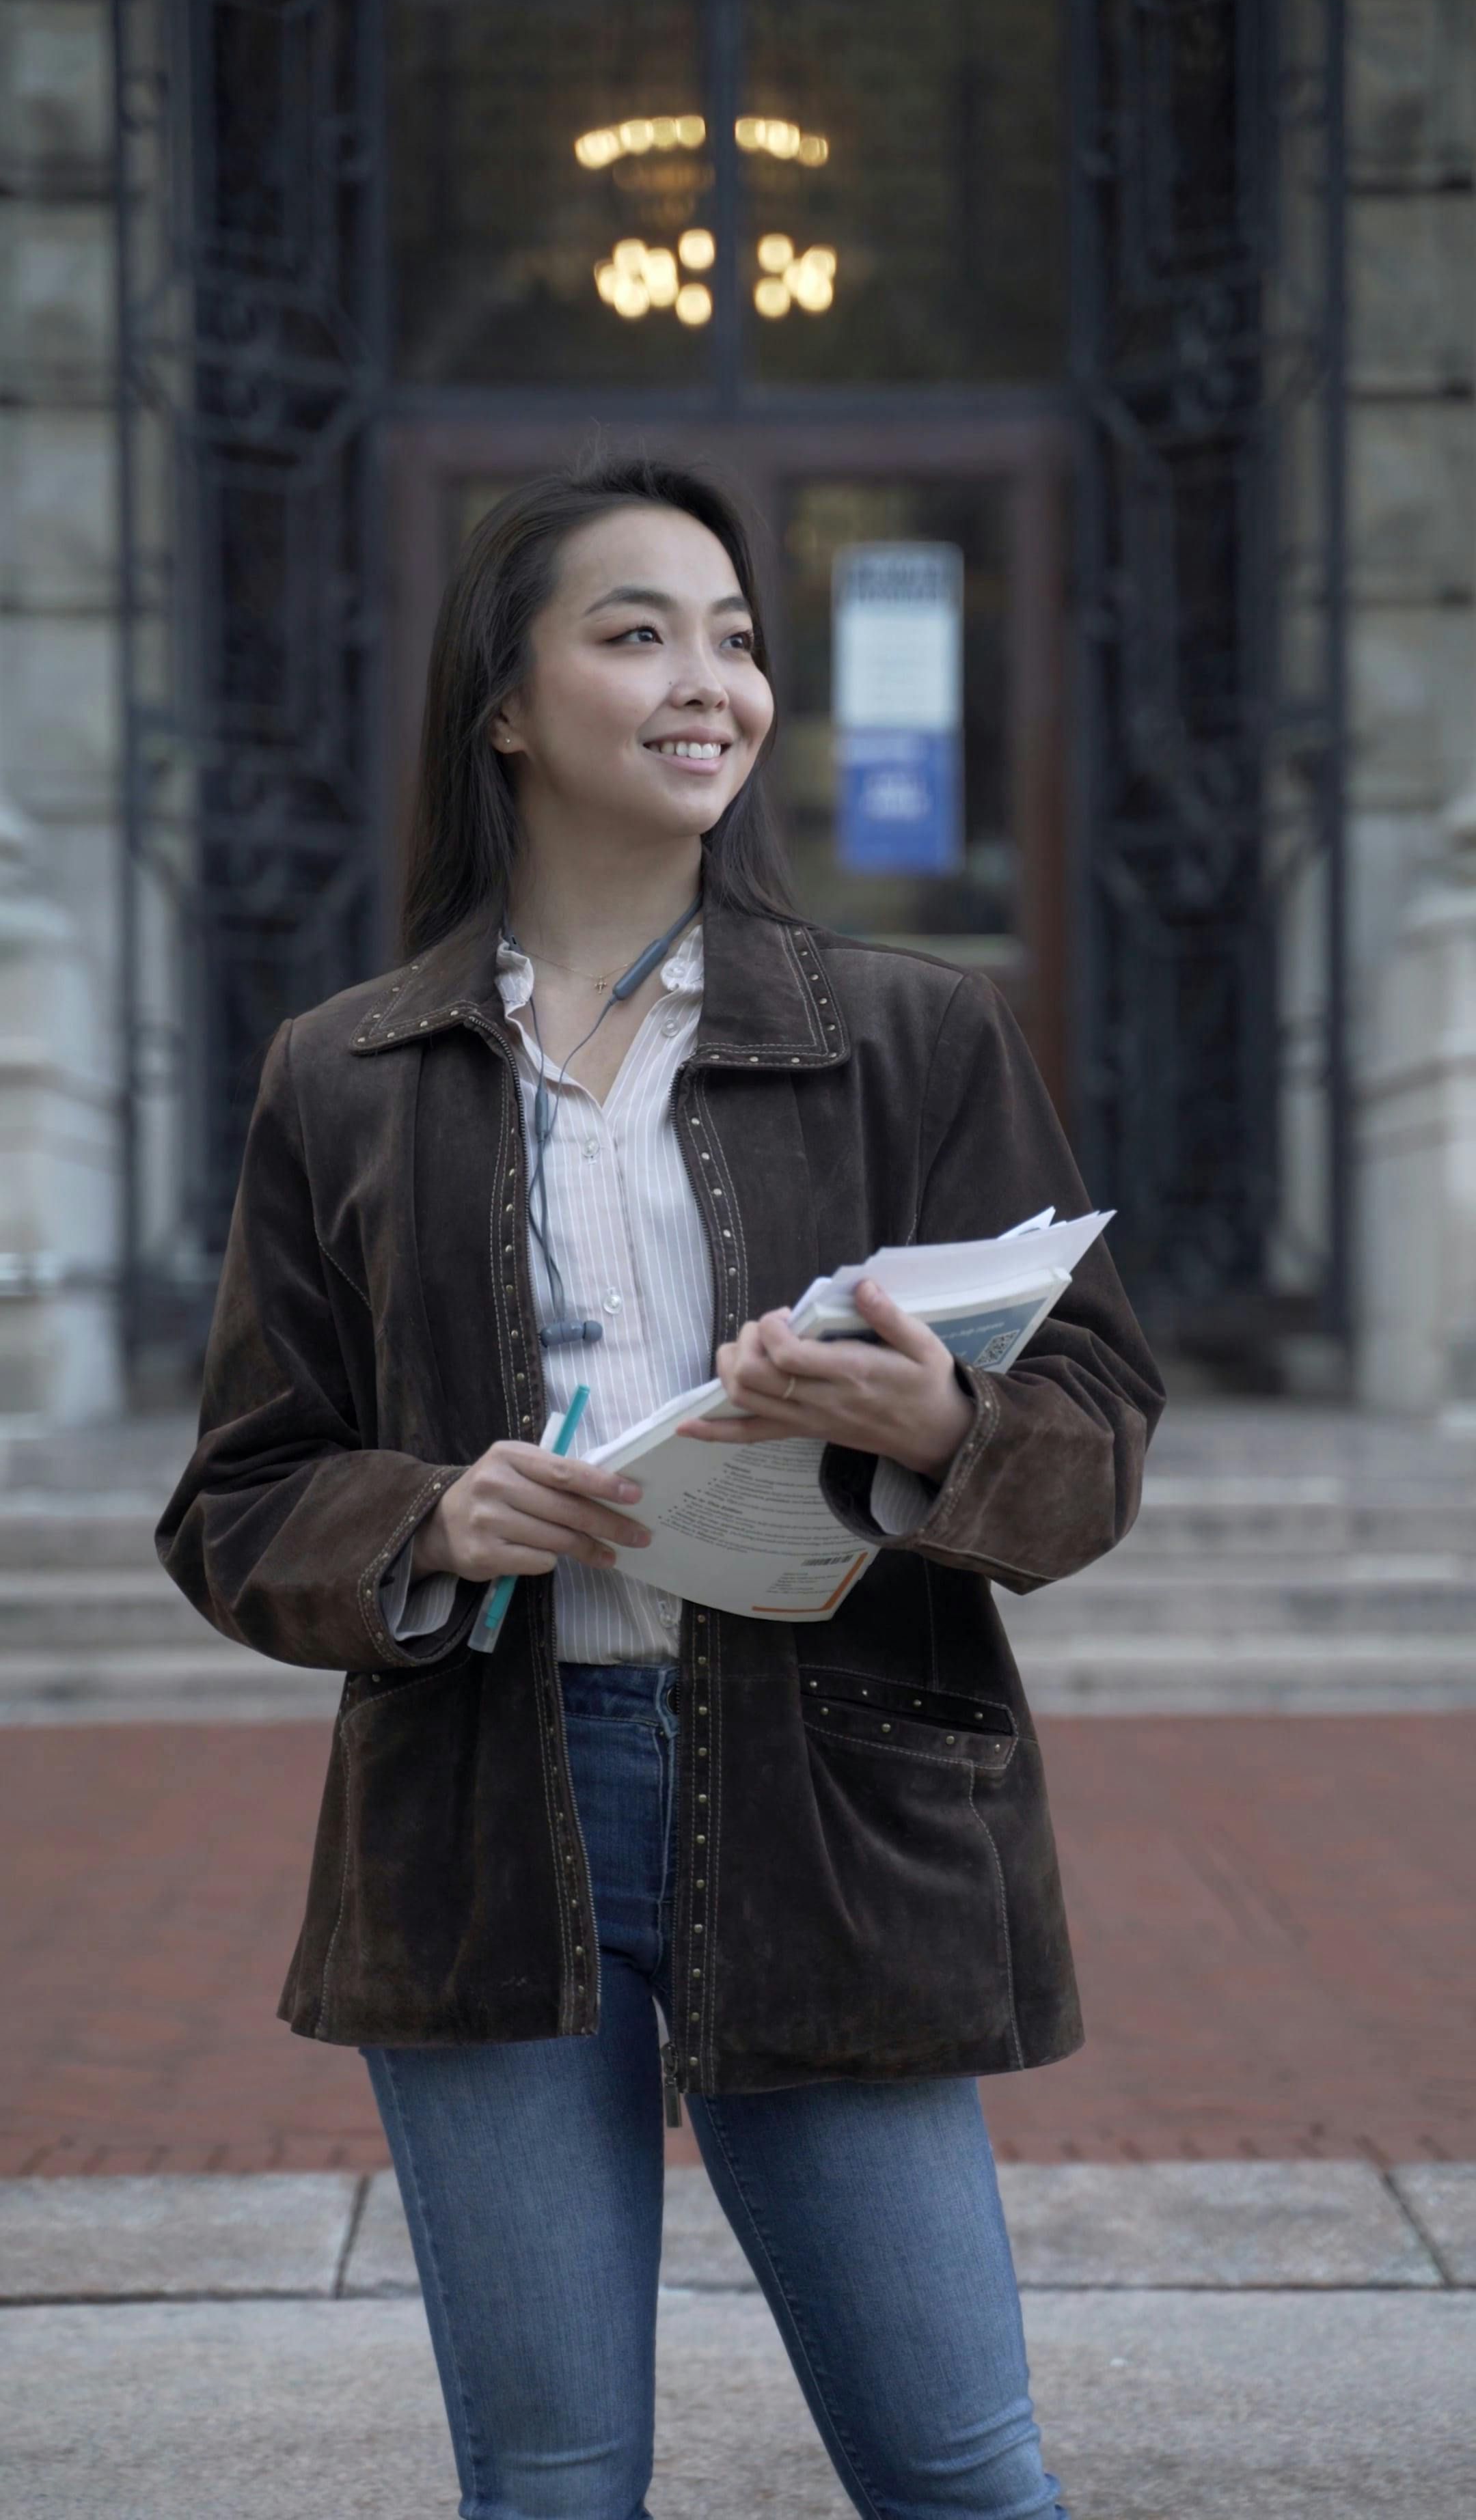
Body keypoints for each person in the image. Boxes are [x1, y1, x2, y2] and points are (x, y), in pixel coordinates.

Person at [158, 454, 1164, 2520]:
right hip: (480, 1819)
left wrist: (943, 1436)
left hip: (836, 1792)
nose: (709, 680)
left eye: (736, 637)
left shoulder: (913, 1034)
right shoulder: (343, 1073)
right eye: (637, 634)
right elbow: (240, 1496)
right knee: (547, 2482)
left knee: (964, 2472)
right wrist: (428, 1525)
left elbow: (1100, 1418)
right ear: (505, 706)